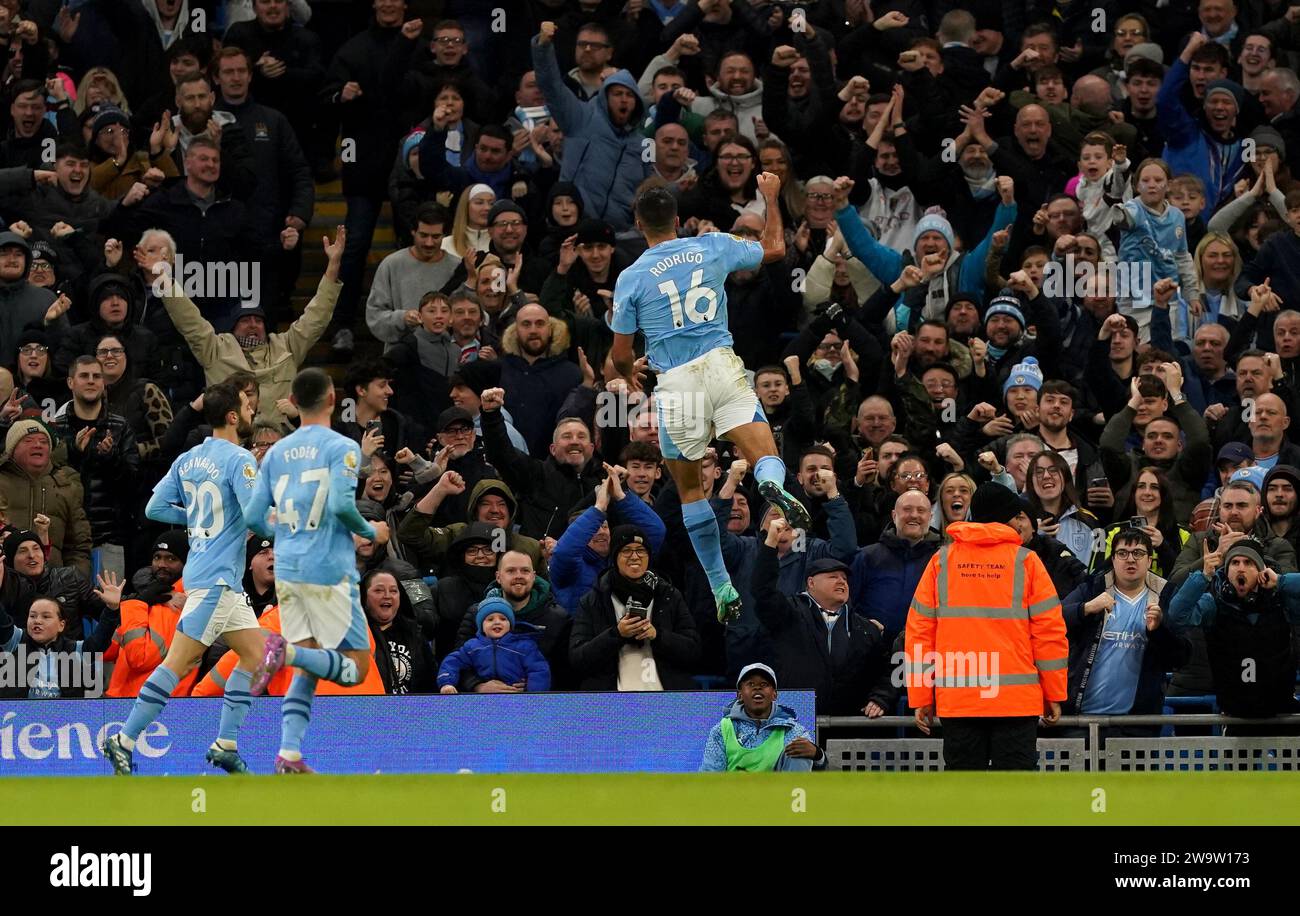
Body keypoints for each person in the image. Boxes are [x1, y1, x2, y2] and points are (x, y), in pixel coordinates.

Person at [609, 177, 809, 625]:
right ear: (678, 221)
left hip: (676, 381)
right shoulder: (712, 245)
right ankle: (770, 484)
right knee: (764, 454)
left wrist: (629, 374)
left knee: (690, 491)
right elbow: (775, 248)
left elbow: (621, 354)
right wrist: (773, 197)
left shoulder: (632, 276)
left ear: (639, 223)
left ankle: (721, 586)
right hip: (720, 363)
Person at [101, 381, 267, 776]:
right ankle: (123, 739)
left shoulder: (189, 458)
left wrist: (195, 518)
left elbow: (155, 507)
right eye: (247, 406)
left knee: (256, 656)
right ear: (232, 416)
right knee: (177, 662)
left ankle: (226, 744)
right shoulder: (241, 459)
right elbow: (257, 517)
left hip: (217, 580)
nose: (251, 412)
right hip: (214, 583)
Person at [244, 367, 393, 773]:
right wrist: (372, 531)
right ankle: (283, 651)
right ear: (332, 400)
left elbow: (255, 516)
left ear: (293, 402)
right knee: (355, 669)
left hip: (290, 570)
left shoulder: (275, 453)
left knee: (308, 665)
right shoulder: (341, 448)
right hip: (329, 569)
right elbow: (344, 506)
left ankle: (288, 754)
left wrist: (285, 532)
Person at [906, 482, 1069, 770]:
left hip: (959, 698)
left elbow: (920, 633)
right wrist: (1054, 693)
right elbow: (1049, 634)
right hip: (1016, 702)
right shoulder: (1027, 562)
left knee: (965, 796)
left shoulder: (941, 561)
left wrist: (921, 695)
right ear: (1009, 517)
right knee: (1014, 796)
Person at [751, 519, 890, 716]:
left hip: (848, 723)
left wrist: (880, 698)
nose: (841, 581)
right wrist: (770, 544)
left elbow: (885, 670)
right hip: (796, 719)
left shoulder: (865, 628)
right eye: (833, 577)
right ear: (811, 583)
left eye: (844, 578)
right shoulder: (789, 612)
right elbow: (762, 590)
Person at [1060, 528, 1191, 734]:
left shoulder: (1165, 596)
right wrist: (1085, 608)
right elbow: (1052, 620)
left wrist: (1158, 631)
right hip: (1081, 720)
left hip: (1137, 724)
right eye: (1122, 553)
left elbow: (1180, 658)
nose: (1130, 559)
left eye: (1138, 553)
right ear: (1113, 559)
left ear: (1149, 561)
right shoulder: (1092, 588)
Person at [1170, 537, 1300, 726]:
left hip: (1282, 713)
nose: (1241, 568)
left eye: (1248, 563)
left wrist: (1281, 581)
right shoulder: (1213, 602)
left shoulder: (1281, 600)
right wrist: (1203, 575)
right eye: (1235, 563)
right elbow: (1176, 616)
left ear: (1261, 570)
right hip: (1235, 715)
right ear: (1226, 570)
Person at [569, 524, 700, 690]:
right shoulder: (593, 600)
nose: (635, 556)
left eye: (641, 550)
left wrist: (657, 636)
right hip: (611, 702)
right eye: (626, 550)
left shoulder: (669, 596)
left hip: (666, 698)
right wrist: (617, 634)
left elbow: (693, 652)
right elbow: (578, 659)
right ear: (615, 557)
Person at [105, 530, 196, 698]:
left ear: (187, 563)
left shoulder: (179, 603)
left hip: (152, 707)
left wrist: (137, 604)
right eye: (157, 557)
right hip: (127, 700)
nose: (162, 564)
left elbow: (140, 659)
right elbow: (108, 652)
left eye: (171, 558)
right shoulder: (153, 598)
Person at [699, 663, 826, 772]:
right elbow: (709, 778)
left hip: (777, 798)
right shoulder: (721, 730)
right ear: (740, 695)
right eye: (750, 684)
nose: (757, 687)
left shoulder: (793, 731)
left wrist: (818, 755)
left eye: (764, 684)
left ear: (774, 694)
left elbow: (819, 773)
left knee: (800, 750)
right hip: (733, 798)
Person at [438, 596, 550, 694]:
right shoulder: (472, 647)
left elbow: (539, 670)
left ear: (510, 624)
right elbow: (452, 661)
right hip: (484, 700)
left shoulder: (525, 646)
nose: (497, 622)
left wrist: (534, 695)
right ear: (481, 626)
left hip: (516, 699)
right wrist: (446, 683)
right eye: (490, 619)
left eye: (503, 619)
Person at [363, 568, 435, 695]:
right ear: (364, 597)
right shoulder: (355, 637)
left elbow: (430, 683)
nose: (387, 595)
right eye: (378, 590)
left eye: (393, 591)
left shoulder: (415, 635)